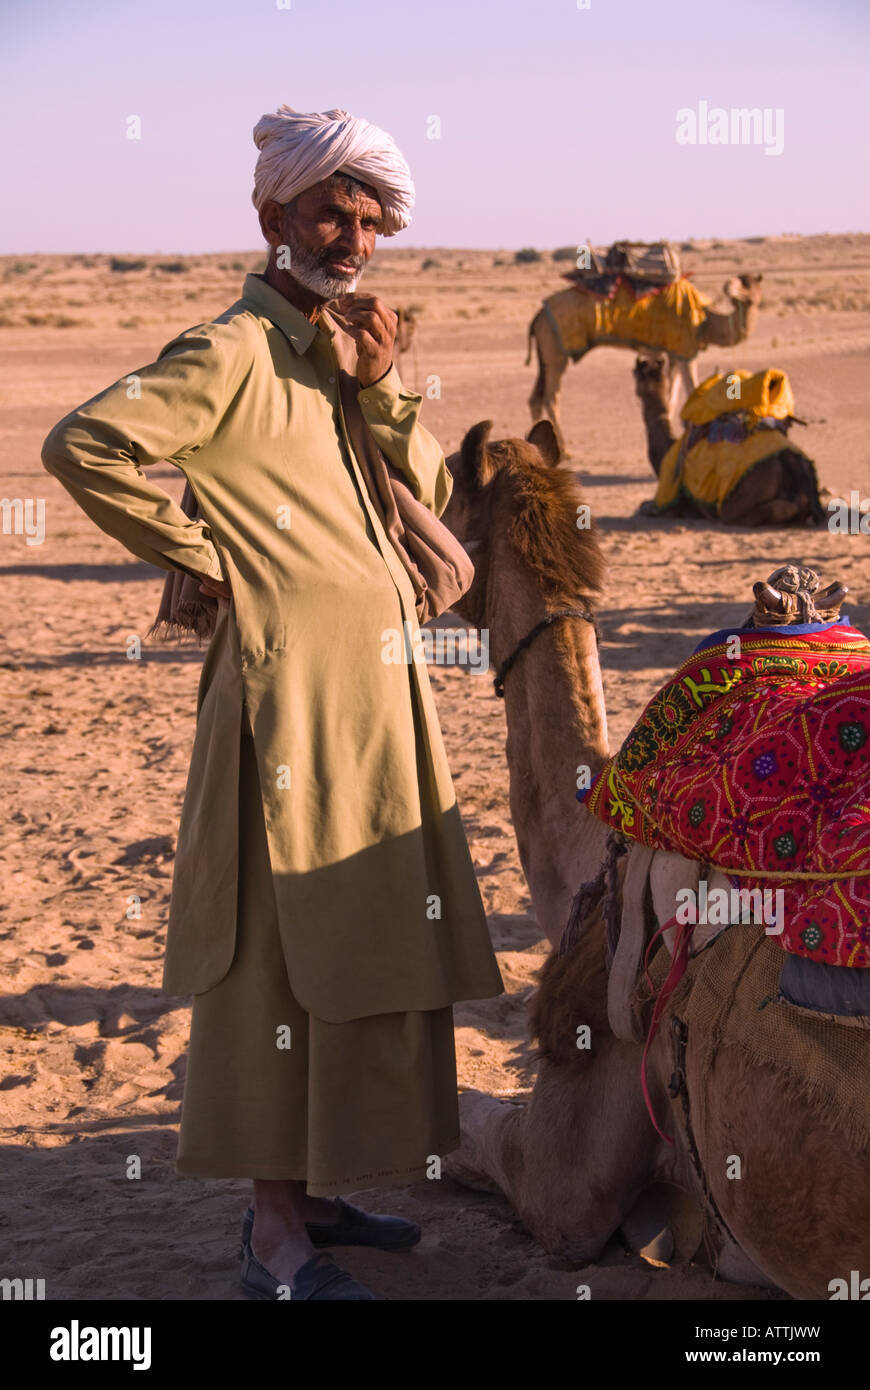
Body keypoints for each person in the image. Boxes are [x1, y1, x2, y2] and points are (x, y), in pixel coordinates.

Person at [41, 103, 504, 1301]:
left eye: (366, 220)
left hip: (380, 708)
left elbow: (435, 489)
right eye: (325, 215)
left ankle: (323, 1180)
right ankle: (269, 1231)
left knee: (359, 934)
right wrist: (210, 555)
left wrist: (387, 386)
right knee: (272, 956)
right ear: (271, 217)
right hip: (282, 713)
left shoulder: (341, 350)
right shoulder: (235, 352)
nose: (348, 238)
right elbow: (83, 444)